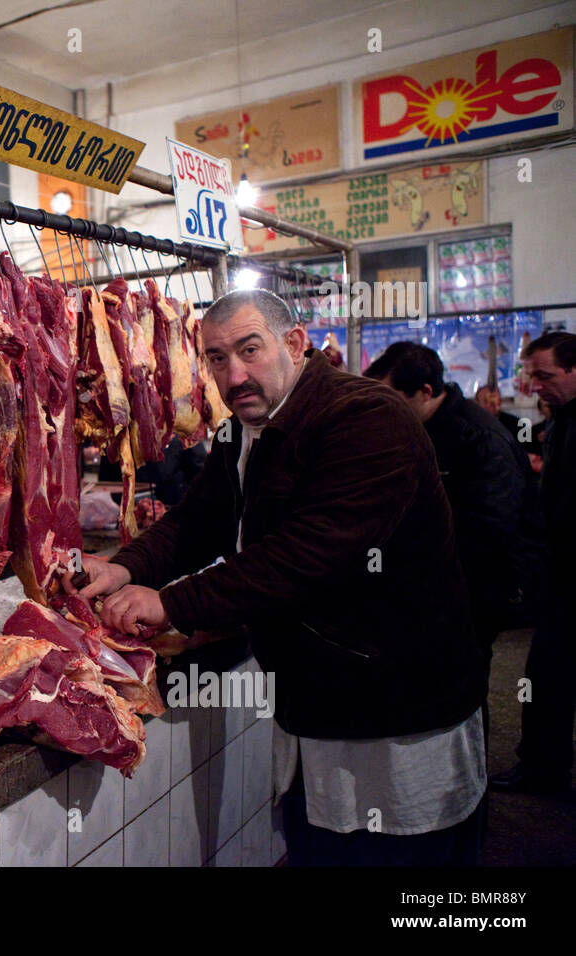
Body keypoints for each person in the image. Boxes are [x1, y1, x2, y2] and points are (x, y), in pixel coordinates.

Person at [69, 289, 488, 866]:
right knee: (323, 847)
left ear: (294, 343)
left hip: (399, 704)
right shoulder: (245, 424)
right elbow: (200, 519)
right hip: (320, 699)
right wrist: (124, 566)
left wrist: (172, 604)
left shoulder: (366, 417)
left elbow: (310, 554)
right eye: (217, 358)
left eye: (249, 350)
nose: (233, 374)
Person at [366, 343, 545, 646]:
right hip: (430, 585)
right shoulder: (416, 428)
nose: (380, 408)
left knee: (458, 677)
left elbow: (488, 530)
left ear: (424, 391)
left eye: (390, 398)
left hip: (470, 590)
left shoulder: (478, 438)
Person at [491, 331, 576, 795]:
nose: (535, 384)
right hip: (560, 575)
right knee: (547, 676)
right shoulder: (561, 418)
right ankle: (543, 767)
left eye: (544, 375)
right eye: (530, 374)